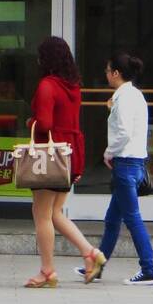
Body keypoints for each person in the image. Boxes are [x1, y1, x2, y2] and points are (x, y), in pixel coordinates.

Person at [23, 36, 104, 288]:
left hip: (49, 157)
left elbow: (45, 123)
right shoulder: (73, 86)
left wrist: (30, 123)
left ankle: (47, 271)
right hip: (69, 154)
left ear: (46, 59)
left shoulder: (47, 85)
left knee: (42, 214)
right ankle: (91, 253)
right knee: (55, 212)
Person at [85, 51, 153, 286]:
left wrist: (109, 151)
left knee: (132, 218)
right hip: (133, 162)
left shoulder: (124, 98)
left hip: (125, 164)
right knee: (112, 219)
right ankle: (98, 266)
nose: (106, 74)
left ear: (116, 73)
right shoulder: (135, 95)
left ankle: (148, 269)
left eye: (108, 70)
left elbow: (124, 132)